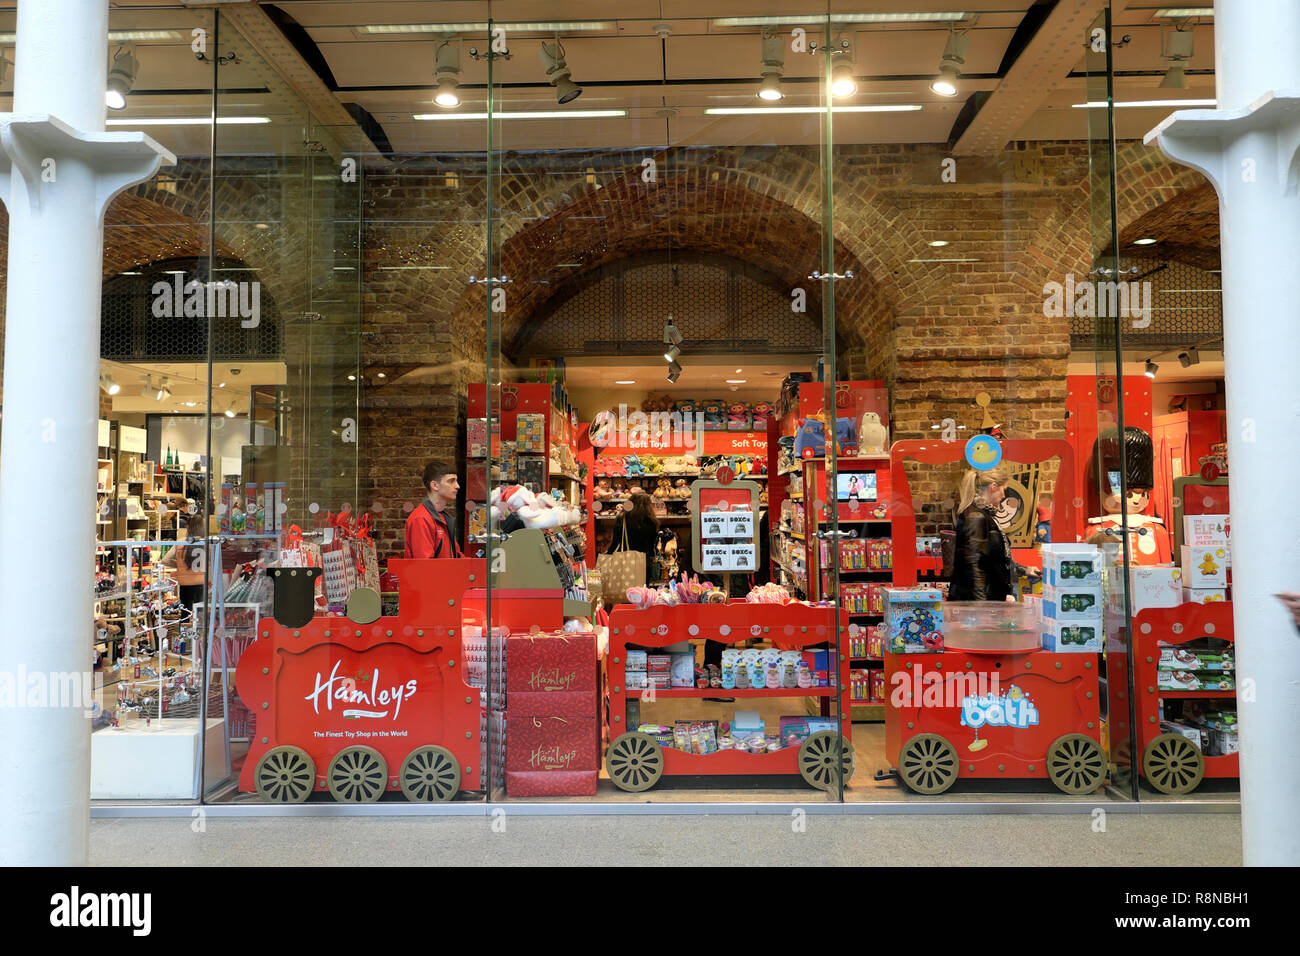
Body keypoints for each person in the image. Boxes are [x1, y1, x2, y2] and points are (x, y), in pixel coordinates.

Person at [948, 466, 1027, 602]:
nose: (1004, 495)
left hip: (986, 600)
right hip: (979, 605)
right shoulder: (976, 517)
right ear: (994, 487)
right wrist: (983, 606)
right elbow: (974, 566)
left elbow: (993, 560)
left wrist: (1023, 570)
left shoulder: (984, 515)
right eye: (1004, 490)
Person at [404, 460, 462, 558]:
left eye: (456, 481)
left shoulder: (443, 518)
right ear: (435, 485)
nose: (457, 486)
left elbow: (457, 557)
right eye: (451, 481)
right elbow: (425, 566)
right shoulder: (421, 519)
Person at [606, 490, 659, 584]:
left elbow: (615, 542)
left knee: (622, 591)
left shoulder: (622, 519)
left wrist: (608, 557)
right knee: (642, 592)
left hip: (624, 562)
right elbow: (651, 545)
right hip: (643, 562)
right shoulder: (652, 522)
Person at [172, 513, 207, 616]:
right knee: (200, 614)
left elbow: (166, 560)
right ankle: (199, 632)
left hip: (185, 584)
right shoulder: (206, 543)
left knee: (185, 612)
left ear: (188, 527)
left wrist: (179, 564)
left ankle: (184, 631)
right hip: (202, 583)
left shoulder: (181, 542)